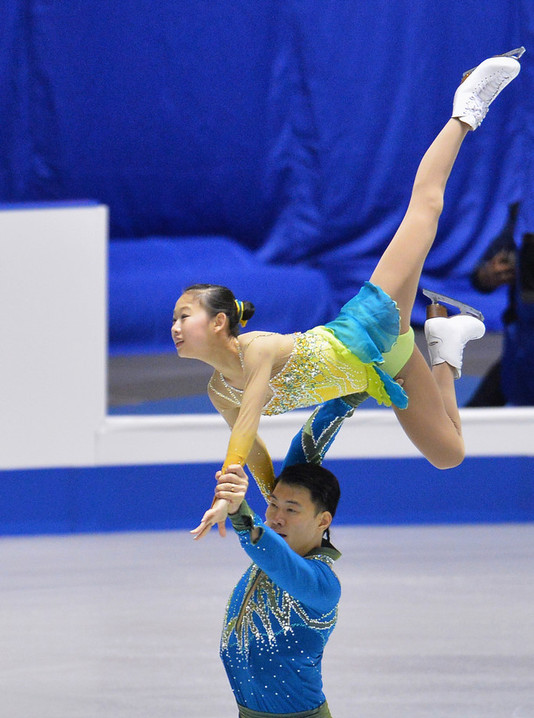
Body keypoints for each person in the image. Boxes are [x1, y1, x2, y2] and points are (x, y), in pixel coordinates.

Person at [170, 50, 524, 537]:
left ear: (218, 323)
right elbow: (254, 452)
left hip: (367, 325)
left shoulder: (258, 351)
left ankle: (465, 110)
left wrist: (225, 492)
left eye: (183, 315)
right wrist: (274, 502)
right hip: (380, 365)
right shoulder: (217, 391)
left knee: (425, 209)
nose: (174, 326)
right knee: (449, 455)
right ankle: (445, 343)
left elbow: (247, 422)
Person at [216, 460, 342, 718]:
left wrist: (241, 512)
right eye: (272, 504)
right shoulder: (272, 555)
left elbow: (276, 557)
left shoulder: (320, 584)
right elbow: (305, 450)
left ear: (323, 520)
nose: (276, 517)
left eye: (291, 509)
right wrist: (342, 404)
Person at [465, 203, 518, 407]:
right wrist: (487, 274)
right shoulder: (524, 217)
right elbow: (481, 276)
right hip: (525, 342)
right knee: (474, 417)